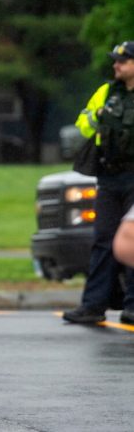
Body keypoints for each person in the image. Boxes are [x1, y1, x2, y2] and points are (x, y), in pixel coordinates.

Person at [63, 41, 134, 326]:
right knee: (103, 240)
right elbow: (84, 123)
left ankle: (132, 307)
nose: (116, 66)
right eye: (115, 61)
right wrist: (97, 118)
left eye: (122, 61)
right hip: (110, 176)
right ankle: (93, 305)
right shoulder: (106, 92)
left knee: (131, 243)